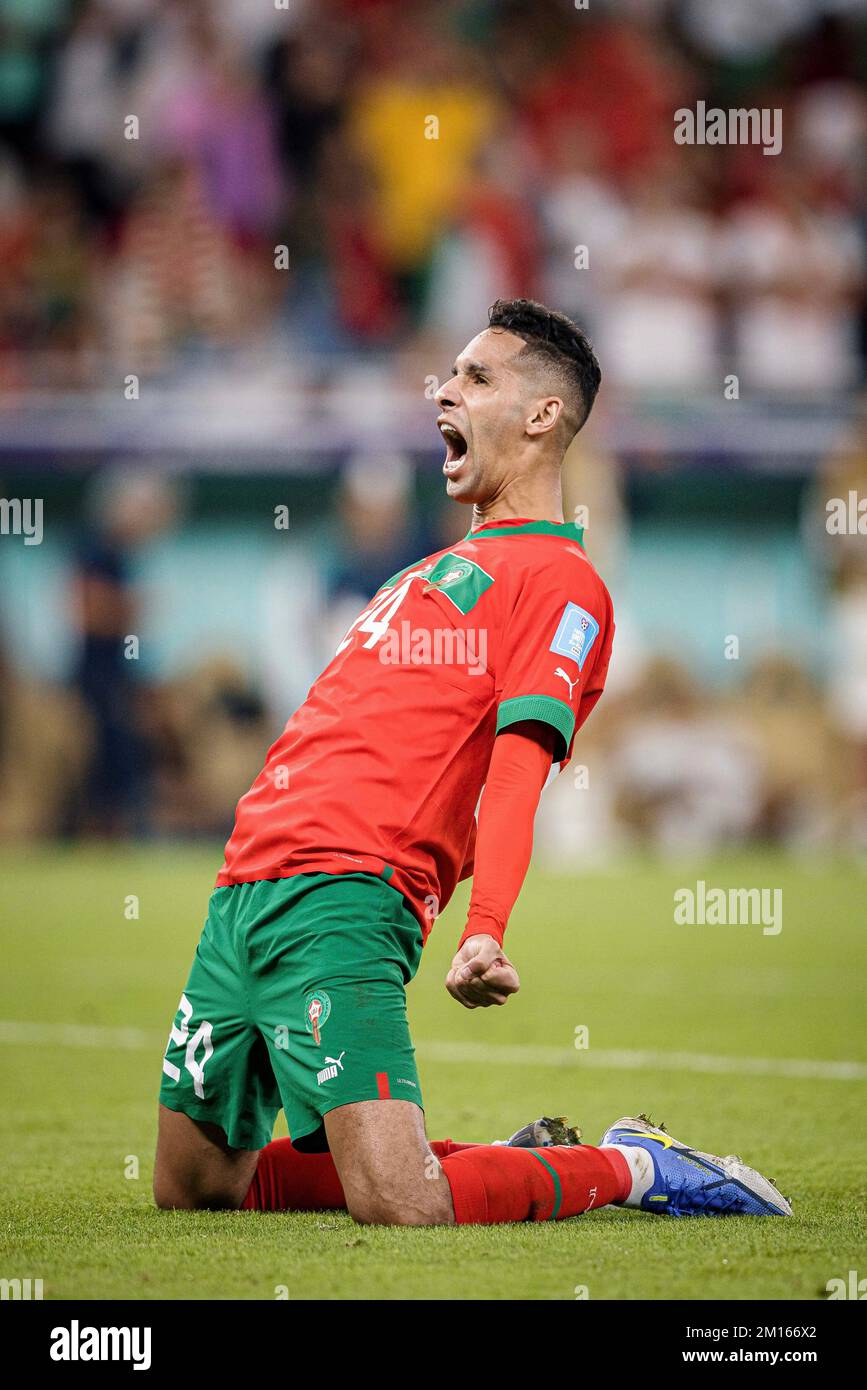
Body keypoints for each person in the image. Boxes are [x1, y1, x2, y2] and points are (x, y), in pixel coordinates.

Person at [154, 299, 790, 1225]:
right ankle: (505, 1161)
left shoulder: (562, 584)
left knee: (402, 1206)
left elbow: (518, 766)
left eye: (476, 377)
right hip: (242, 893)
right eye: (450, 374)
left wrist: (484, 924)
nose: (444, 391)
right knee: (198, 1188)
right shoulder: (418, 573)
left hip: (343, 893)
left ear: (541, 417)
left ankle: (631, 1168)